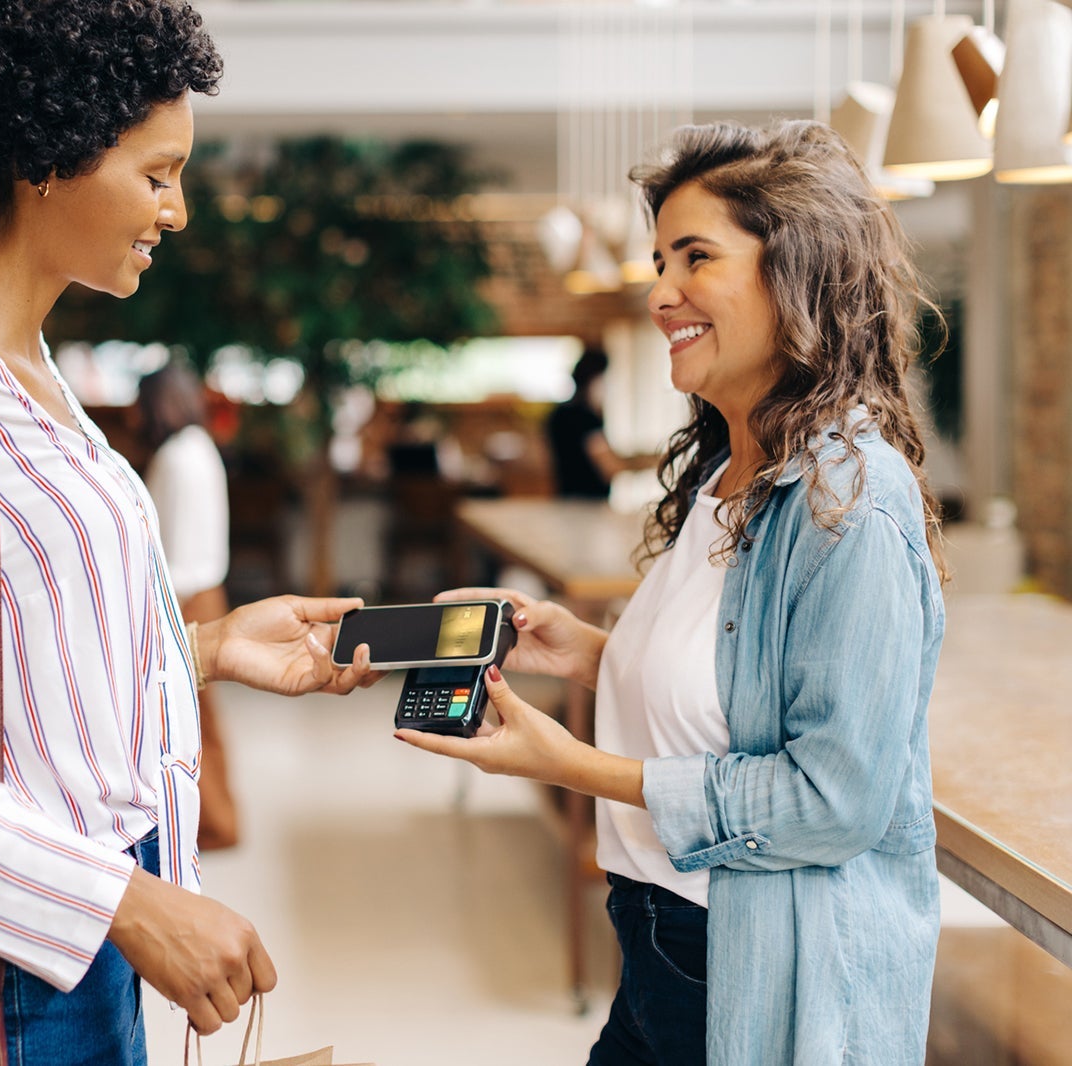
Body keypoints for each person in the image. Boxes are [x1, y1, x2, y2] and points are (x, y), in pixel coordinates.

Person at [0, 3, 380, 1063]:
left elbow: (4, 679)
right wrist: (123, 901)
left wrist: (209, 648)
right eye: (157, 172)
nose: (176, 211)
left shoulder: (27, 368)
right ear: (47, 158)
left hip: (63, 950)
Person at [399, 120, 948, 1065]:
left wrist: (573, 765)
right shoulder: (730, 476)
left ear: (798, 271)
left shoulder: (850, 500)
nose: (660, 294)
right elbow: (732, 697)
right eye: (659, 260)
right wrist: (588, 650)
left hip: (751, 966)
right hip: (663, 941)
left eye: (696, 257)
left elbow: (832, 803)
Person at [136, 361, 238, 850]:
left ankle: (212, 824)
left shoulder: (176, 457)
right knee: (201, 719)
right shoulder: (201, 448)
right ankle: (217, 820)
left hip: (185, 598)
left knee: (187, 720)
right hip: (208, 589)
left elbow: (167, 547)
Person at [546, 347, 658, 499]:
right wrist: (651, 461)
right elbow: (610, 467)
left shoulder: (560, 413)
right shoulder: (584, 418)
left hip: (566, 498)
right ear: (595, 379)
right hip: (586, 504)